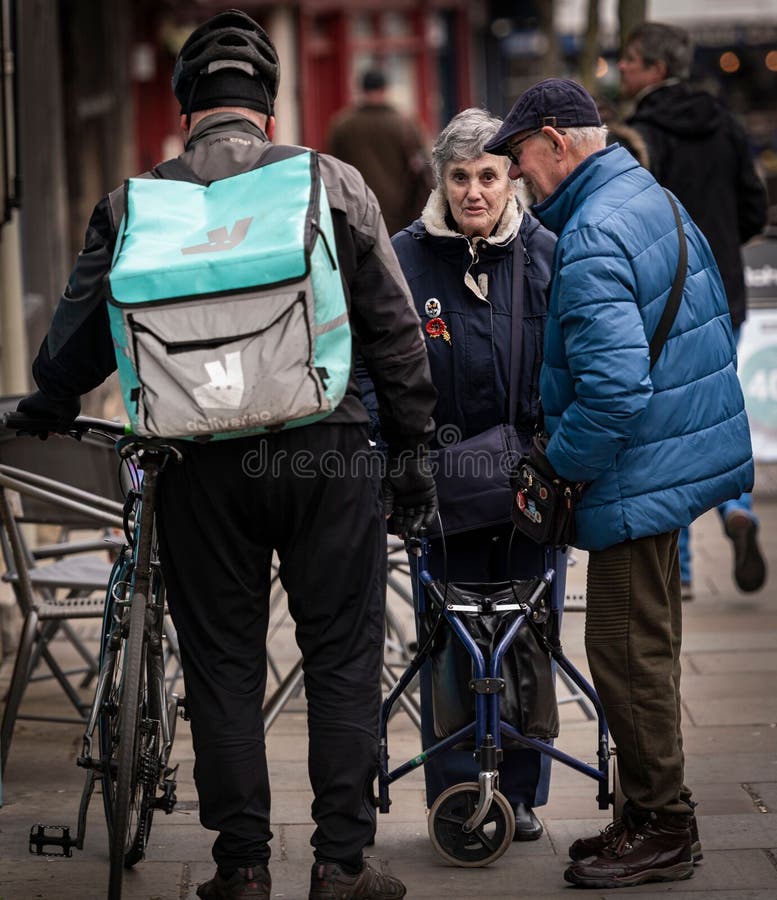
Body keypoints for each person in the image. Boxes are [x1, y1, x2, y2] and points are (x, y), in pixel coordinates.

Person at [15, 9, 439, 900]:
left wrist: (48, 405)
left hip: (199, 465)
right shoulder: (333, 183)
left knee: (223, 664)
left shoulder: (136, 202)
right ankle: (340, 862)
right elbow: (396, 332)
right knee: (340, 657)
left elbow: (78, 338)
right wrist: (411, 457)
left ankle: (242, 865)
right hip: (327, 450)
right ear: (271, 115)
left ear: (183, 116)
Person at [483, 78, 754, 888]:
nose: (521, 177)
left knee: (623, 652)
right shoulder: (647, 198)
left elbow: (611, 389)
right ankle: (644, 812)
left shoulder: (595, 231)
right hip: (667, 458)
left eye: (522, 158)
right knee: (643, 647)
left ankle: (665, 826)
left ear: (558, 142)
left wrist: (558, 466)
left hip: (635, 471)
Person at [385, 107, 560, 840]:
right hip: (438, 482)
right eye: (459, 177)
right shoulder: (404, 255)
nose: (473, 192)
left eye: (487, 175)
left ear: (510, 177)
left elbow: (567, 359)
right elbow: (376, 363)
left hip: (528, 479)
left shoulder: (545, 251)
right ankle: (458, 794)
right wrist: (398, 457)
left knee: (526, 637)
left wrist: (556, 455)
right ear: (441, 180)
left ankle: (517, 790)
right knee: (448, 642)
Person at [619, 21, 768, 599]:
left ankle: (677, 571)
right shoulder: (725, 124)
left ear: (656, 69)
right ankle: (738, 509)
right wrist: (724, 244)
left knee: (666, 431)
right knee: (718, 412)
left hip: (662, 302)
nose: (623, 69)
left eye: (630, 60)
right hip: (725, 293)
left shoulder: (640, 137)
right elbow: (752, 205)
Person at [327, 68, 434, 236]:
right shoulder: (405, 124)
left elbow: (330, 169)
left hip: (356, 216)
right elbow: (424, 170)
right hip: (398, 216)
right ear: (385, 90)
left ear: (361, 90)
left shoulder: (342, 125)